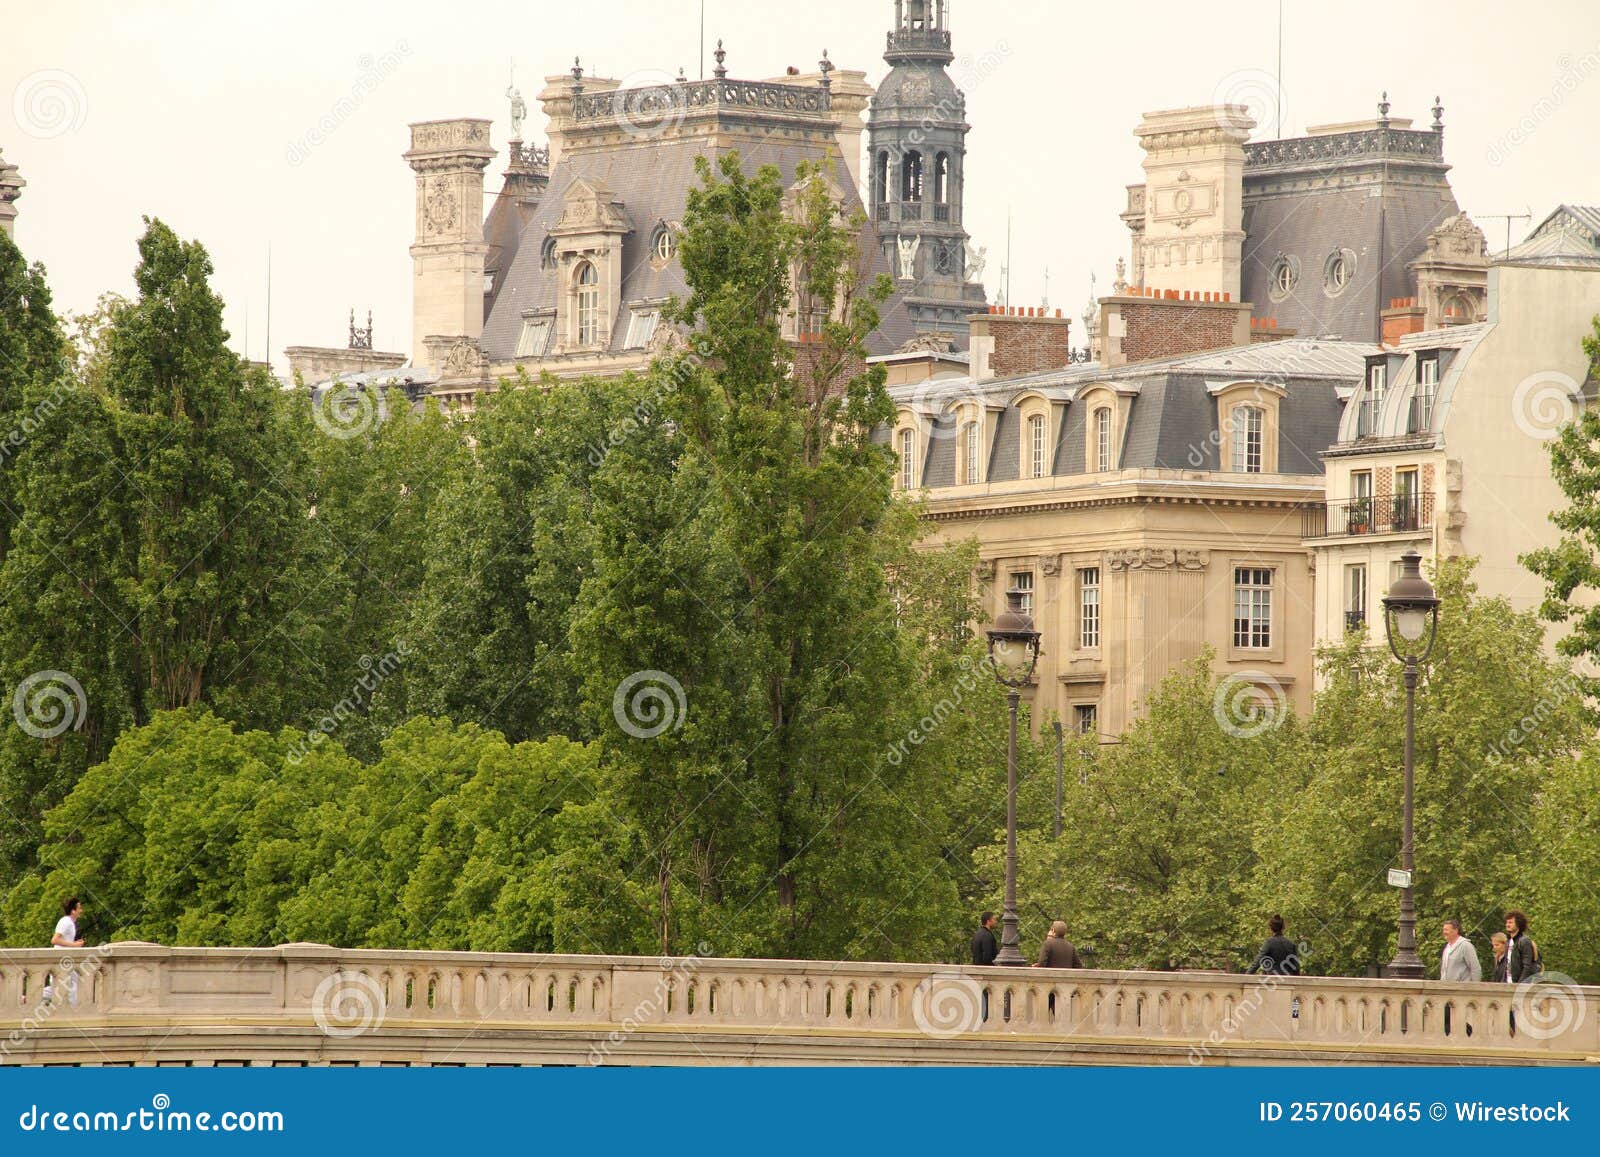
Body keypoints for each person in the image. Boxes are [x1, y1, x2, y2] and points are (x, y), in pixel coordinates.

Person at [44, 897, 84, 1007]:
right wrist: (74, 945)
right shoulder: (66, 922)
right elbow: (55, 940)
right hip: (62, 960)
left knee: (63, 986)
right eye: (79, 908)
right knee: (67, 986)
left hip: (66, 960)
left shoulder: (68, 922)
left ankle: (28, 998)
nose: (81, 910)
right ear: (73, 911)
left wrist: (74, 944)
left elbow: (62, 941)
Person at [1504, 910, 1540, 983]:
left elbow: (1527, 966)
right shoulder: (1508, 942)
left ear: (1518, 924)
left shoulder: (1524, 941)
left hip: (1519, 985)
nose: (1507, 925)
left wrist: (1520, 985)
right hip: (1508, 983)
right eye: (1507, 922)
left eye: (1510, 922)